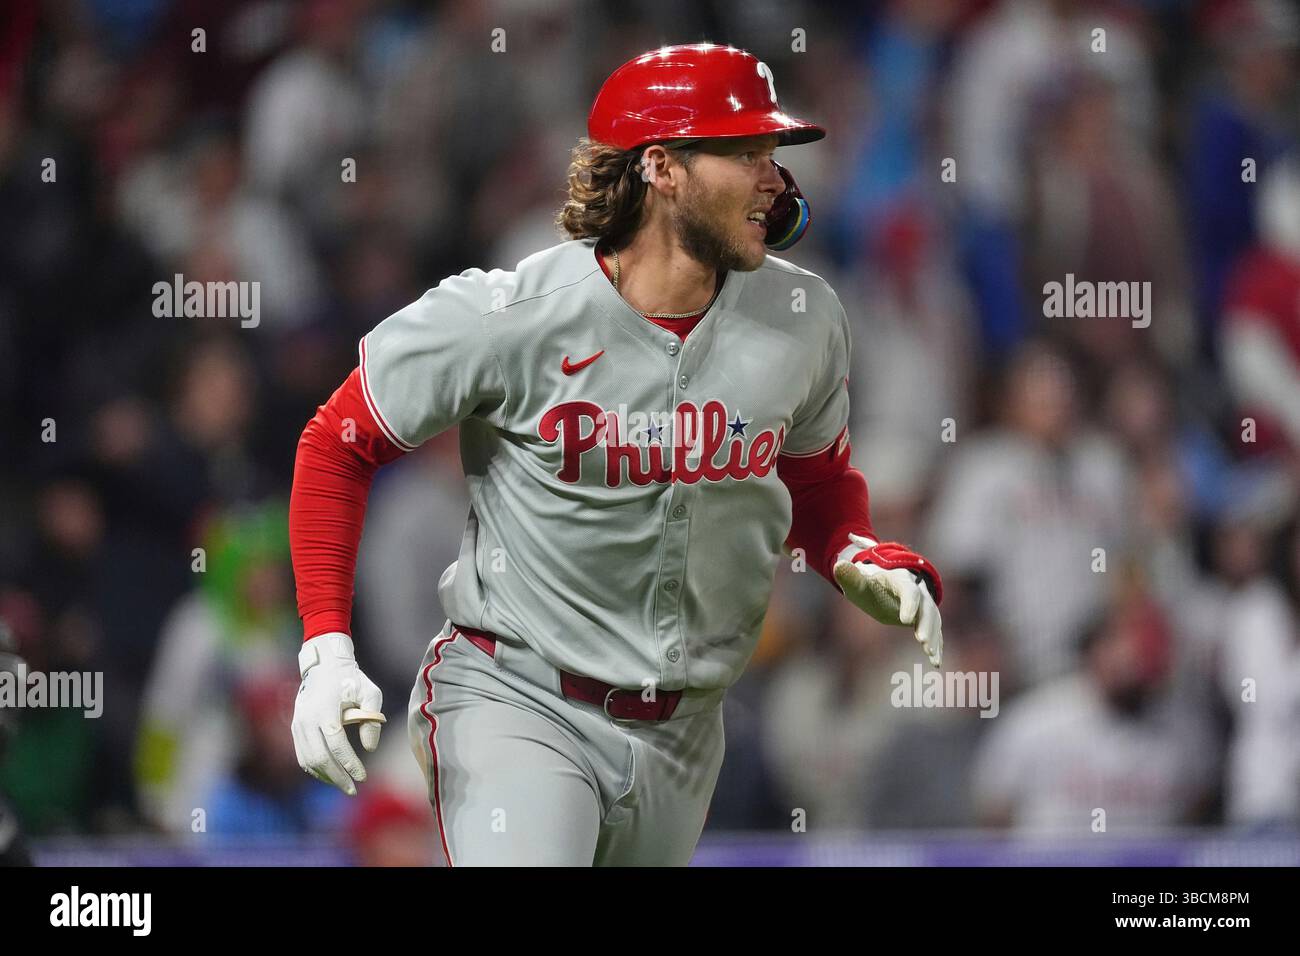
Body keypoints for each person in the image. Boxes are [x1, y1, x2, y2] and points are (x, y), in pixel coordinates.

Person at [288, 43, 944, 866]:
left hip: (686, 732)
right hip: (518, 698)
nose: (775, 180)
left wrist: (851, 549)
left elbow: (815, 479)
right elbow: (337, 441)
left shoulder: (804, 315)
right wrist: (326, 648)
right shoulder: (512, 314)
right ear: (661, 167)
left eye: (771, 154)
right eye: (745, 154)